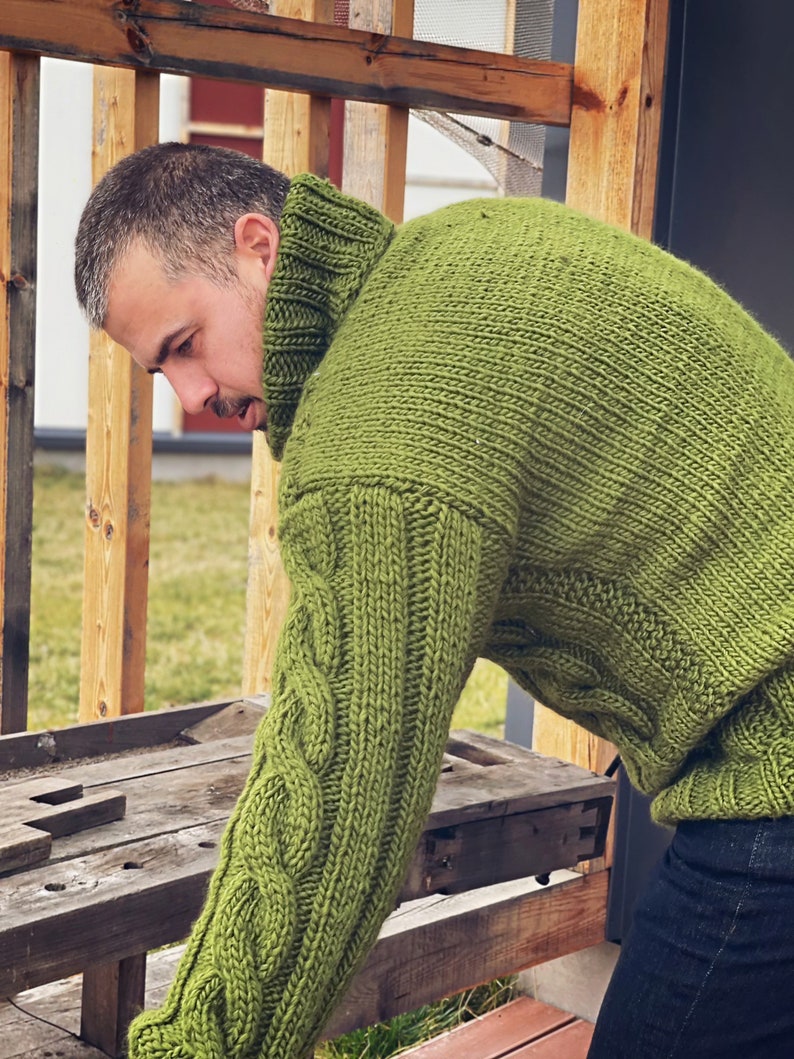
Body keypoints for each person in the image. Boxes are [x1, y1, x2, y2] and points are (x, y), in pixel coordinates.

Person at [74, 141, 794, 1059]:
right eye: (159, 371)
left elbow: (338, 797)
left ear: (258, 246)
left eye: (185, 344)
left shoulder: (383, 419)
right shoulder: (464, 247)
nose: (191, 392)